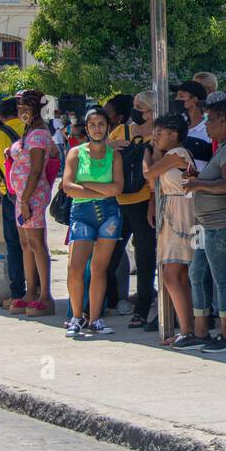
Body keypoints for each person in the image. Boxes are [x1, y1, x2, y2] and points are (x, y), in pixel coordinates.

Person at [184, 95, 226, 353]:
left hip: (221, 223)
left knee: (221, 279)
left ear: (223, 121)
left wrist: (197, 183)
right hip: (207, 222)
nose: (206, 125)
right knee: (197, 273)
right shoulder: (221, 148)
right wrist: (198, 177)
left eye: (210, 120)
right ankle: (200, 331)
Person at [61, 108, 124, 338]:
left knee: (99, 269)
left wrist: (86, 185)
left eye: (101, 124)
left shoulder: (113, 155)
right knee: (75, 267)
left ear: (107, 126)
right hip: (82, 212)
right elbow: (67, 186)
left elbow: (118, 188)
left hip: (109, 213)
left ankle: (95, 318)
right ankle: (77, 316)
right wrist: (101, 190)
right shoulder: (76, 153)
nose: (97, 128)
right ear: (86, 128)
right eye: (92, 124)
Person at [144, 113, 197, 347]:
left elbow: (149, 173)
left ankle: (187, 329)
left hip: (180, 214)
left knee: (171, 274)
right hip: (173, 211)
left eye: (159, 133)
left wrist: (147, 153)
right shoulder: (173, 156)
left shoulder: (177, 154)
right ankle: (188, 328)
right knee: (179, 275)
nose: (155, 137)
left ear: (173, 135)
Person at [9, 90, 60, 316]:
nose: (20, 111)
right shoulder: (28, 132)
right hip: (21, 197)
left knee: (37, 244)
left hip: (32, 196)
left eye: (23, 107)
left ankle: (44, 295)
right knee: (25, 244)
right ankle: (30, 291)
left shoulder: (39, 134)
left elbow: (37, 169)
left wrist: (27, 199)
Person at [102, 94, 145, 320]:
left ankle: (137, 299)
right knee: (114, 253)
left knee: (141, 254)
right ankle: (114, 297)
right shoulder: (116, 135)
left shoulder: (152, 131)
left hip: (139, 200)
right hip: (121, 200)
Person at [0, 100, 27, 310]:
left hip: (11, 196)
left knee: (14, 244)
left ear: (1, 117)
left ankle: (18, 292)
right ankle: (37, 290)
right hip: (35, 194)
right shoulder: (32, 129)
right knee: (34, 244)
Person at [174, 80, 210, 148]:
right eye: (177, 96)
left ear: (195, 100)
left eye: (181, 96)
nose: (176, 99)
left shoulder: (208, 129)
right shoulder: (176, 125)